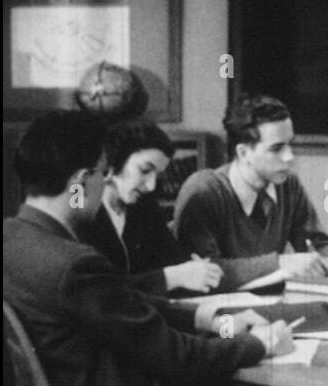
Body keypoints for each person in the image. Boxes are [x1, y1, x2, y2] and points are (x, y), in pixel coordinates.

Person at [3, 111, 323, 386]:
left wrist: (208, 320)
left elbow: (119, 304)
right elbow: (179, 358)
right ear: (78, 183)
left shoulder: (14, 240)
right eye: (102, 171)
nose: (106, 180)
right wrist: (260, 344)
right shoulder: (74, 264)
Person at [174, 94, 328, 291]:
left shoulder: (288, 185)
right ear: (243, 153)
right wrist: (281, 263)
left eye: (290, 144)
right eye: (276, 148)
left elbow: (324, 244)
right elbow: (204, 272)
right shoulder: (204, 190)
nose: (290, 157)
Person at [82, 119, 223, 295]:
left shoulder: (145, 206)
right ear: (111, 163)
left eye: (157, 175)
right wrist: (173, 277)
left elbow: (172, 259)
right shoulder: (80, 210)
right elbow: (99, 291)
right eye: (145, 170)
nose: (151, 186)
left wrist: (195, 269)